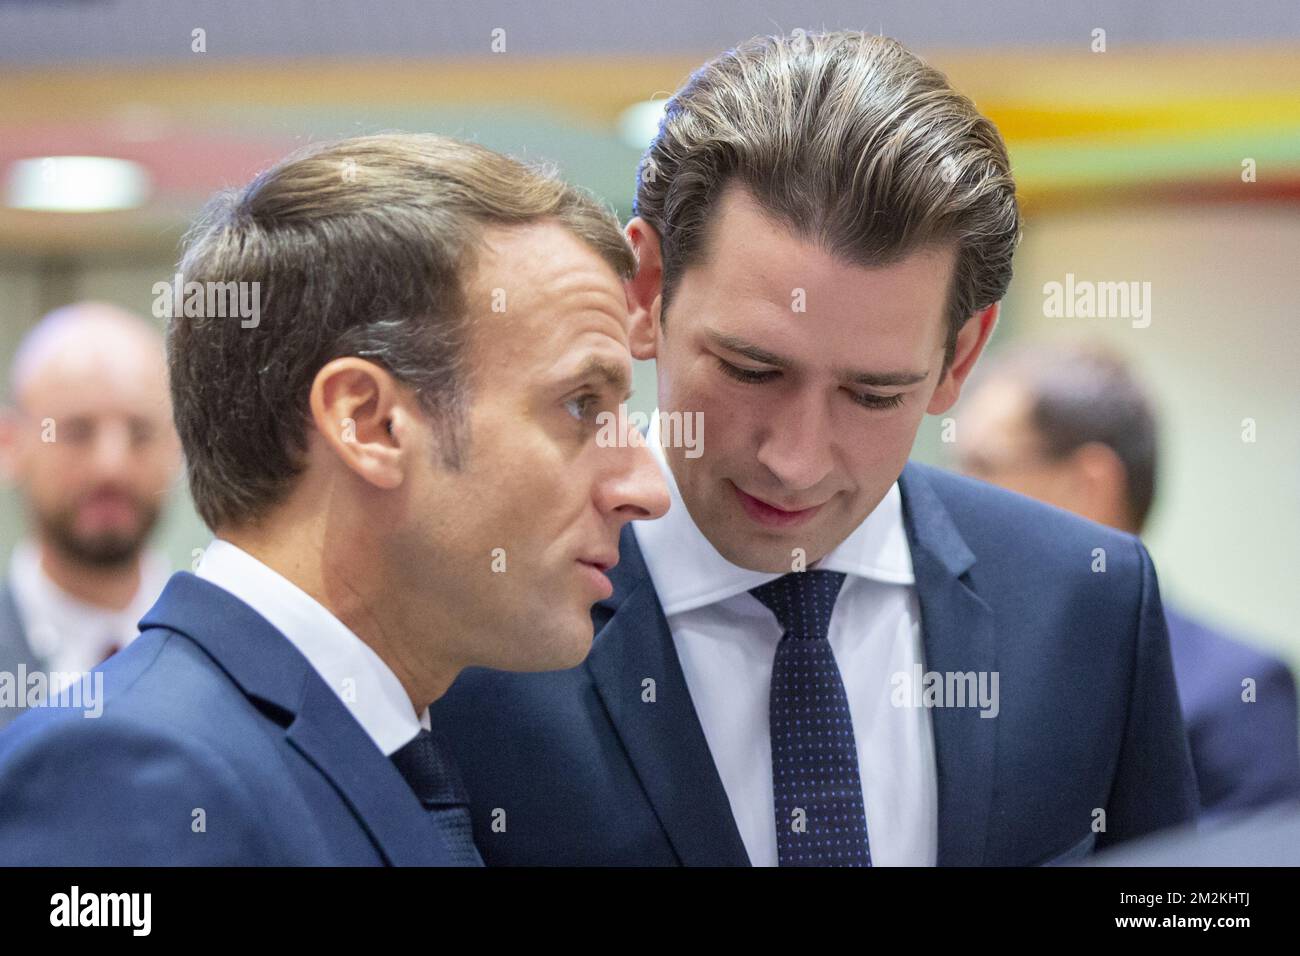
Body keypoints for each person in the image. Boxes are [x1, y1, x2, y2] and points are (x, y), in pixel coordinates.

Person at [431, 30, 1199, 866]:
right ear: (646, 292)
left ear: (961, 359)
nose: (794, 460)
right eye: (750, 369)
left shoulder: (1084, 599)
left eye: (874, 395)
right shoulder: (473, 621)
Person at [0, 133, 668, 865]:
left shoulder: (387, 744)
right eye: (580, 405)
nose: (644, 488)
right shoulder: (138, 778)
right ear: (369, 424)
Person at [956, 339, 1300, 818]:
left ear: (1088, 484)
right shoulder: (947, 665)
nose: (955, 492)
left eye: (984, 464)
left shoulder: (1236, 690)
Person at [0, 303, 178, 732]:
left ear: (179, 447)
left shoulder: (229, 659)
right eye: (77, 431)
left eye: (140, 431)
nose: (110, 466)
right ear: (10, 444)